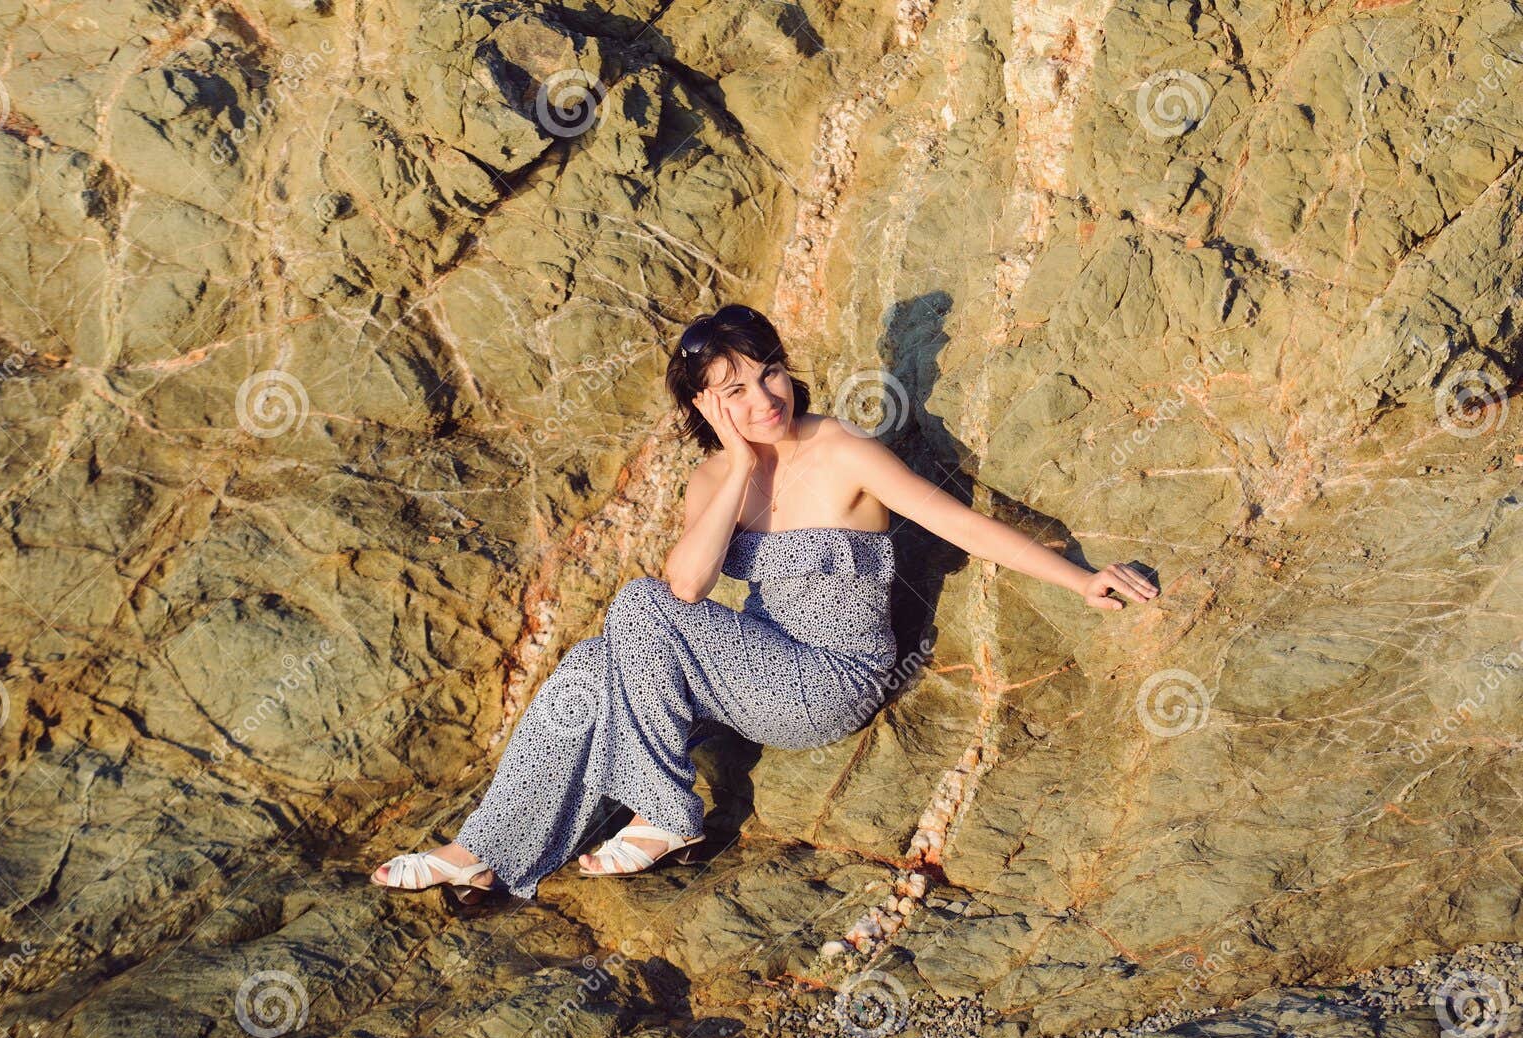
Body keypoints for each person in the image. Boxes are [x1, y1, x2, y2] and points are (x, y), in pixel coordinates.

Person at [370, 303, 1158, 902]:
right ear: (704, 408)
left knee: (640, 610)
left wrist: (1078, 575)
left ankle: (664, 811)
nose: (763, 397)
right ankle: (487, 855)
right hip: (753, 670)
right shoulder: (714, 478)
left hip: (831, 680)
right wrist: (741, 464)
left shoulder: (841, 448)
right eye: (734, 390)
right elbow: (692, 583)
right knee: (589, 667)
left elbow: (957, 523)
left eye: (769, 372)